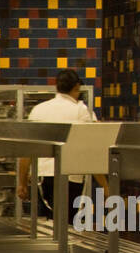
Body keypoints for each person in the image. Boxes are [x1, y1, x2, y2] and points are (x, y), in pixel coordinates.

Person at [16, 70, 107, 220]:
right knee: (68, 223)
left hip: (43, 177)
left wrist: (22, 183)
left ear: (56, 86)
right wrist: (105, 186)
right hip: (71, 176)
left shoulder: (38, 110)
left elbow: (27, 151)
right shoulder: (81, 110)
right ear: (77, 87)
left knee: (51, 220)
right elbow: (91, 152)